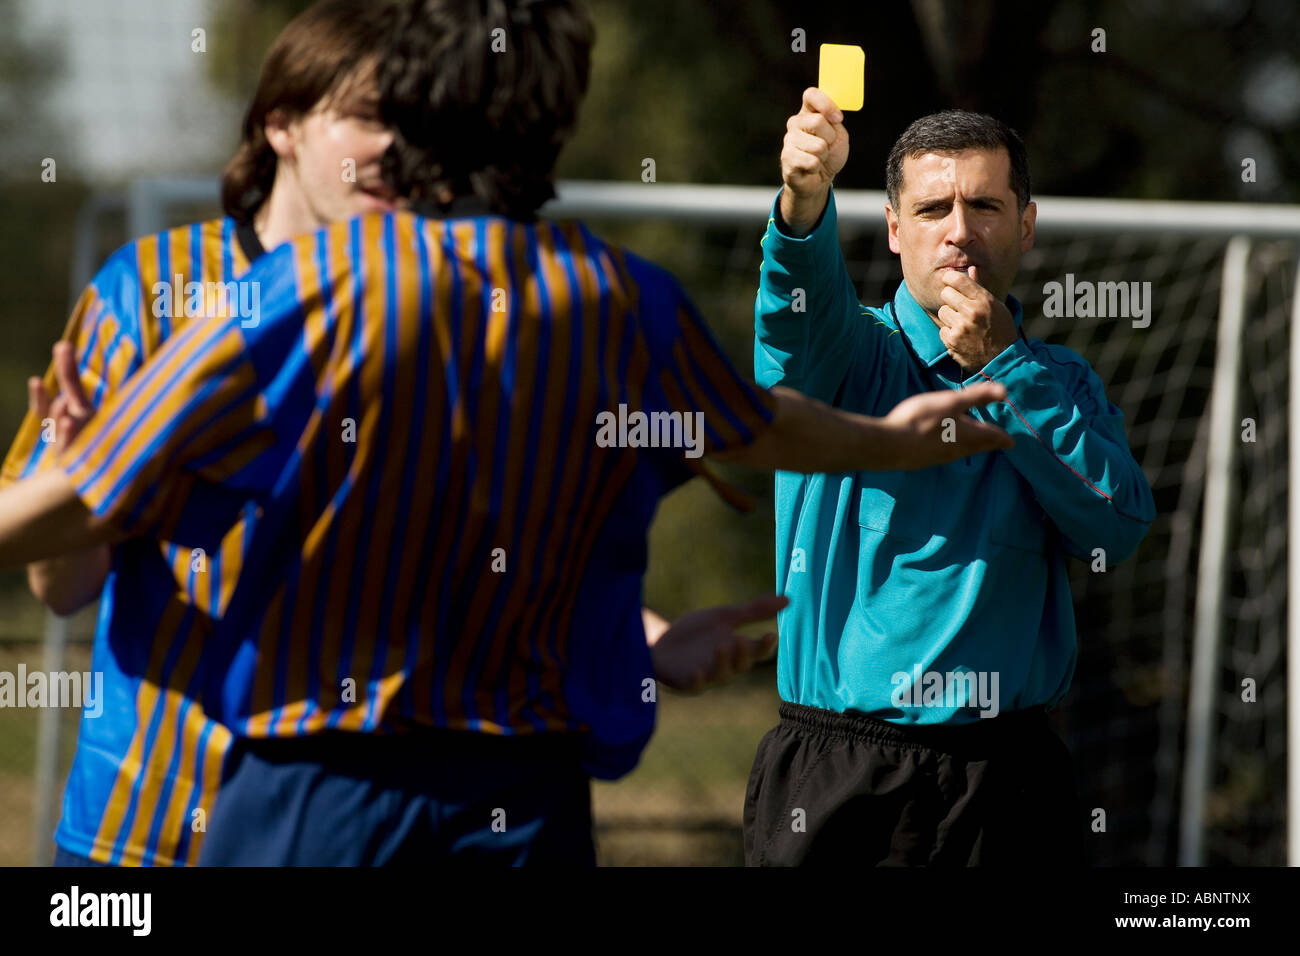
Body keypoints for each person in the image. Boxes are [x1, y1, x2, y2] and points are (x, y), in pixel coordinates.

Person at [0, 0, 1012, 866]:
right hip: (525, 804)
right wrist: (888, 438)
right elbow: (755, 422)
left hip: (319, 790)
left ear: (413, 108)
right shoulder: (620, 299)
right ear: (558, 115)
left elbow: (88, 495)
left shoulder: (305, 295)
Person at [4, 0, 401, 866]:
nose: (393, 146)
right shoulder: (149, 288)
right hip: (139, 834)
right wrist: (78, 477)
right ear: (281, 125)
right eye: (369, 116)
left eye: (412, 123)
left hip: (345, 830)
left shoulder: (426, 313)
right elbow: (59, 588)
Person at [743, 91, 1157, 866]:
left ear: (1026, 227)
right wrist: (803, 202)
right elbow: (791, 313)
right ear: (895, 231)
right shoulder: (845, 353)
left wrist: (1005, 369)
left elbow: (1116, 525)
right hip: (841, 770)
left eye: (986, 206)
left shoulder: (1061, 379)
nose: (961, 232)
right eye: (933, 208)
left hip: (1010, 777)